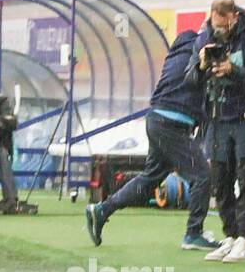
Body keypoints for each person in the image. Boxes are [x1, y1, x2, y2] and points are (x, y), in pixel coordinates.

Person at [84, 30, 216, 251]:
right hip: (172, 122)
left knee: (150, 178)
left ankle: (102, 210)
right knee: (202, 174)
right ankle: (193, 234)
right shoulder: (199, 56)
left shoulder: (179, 50)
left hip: (157, 118)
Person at [185, 0, 245, 263]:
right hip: (217, 117)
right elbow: (189, 80)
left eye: (222, 25)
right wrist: (201, 67)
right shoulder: (205, 39)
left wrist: (233, 70)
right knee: (220, 181)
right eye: (215, 25)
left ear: (233, 17)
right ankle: (232, 236)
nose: (218, 31)